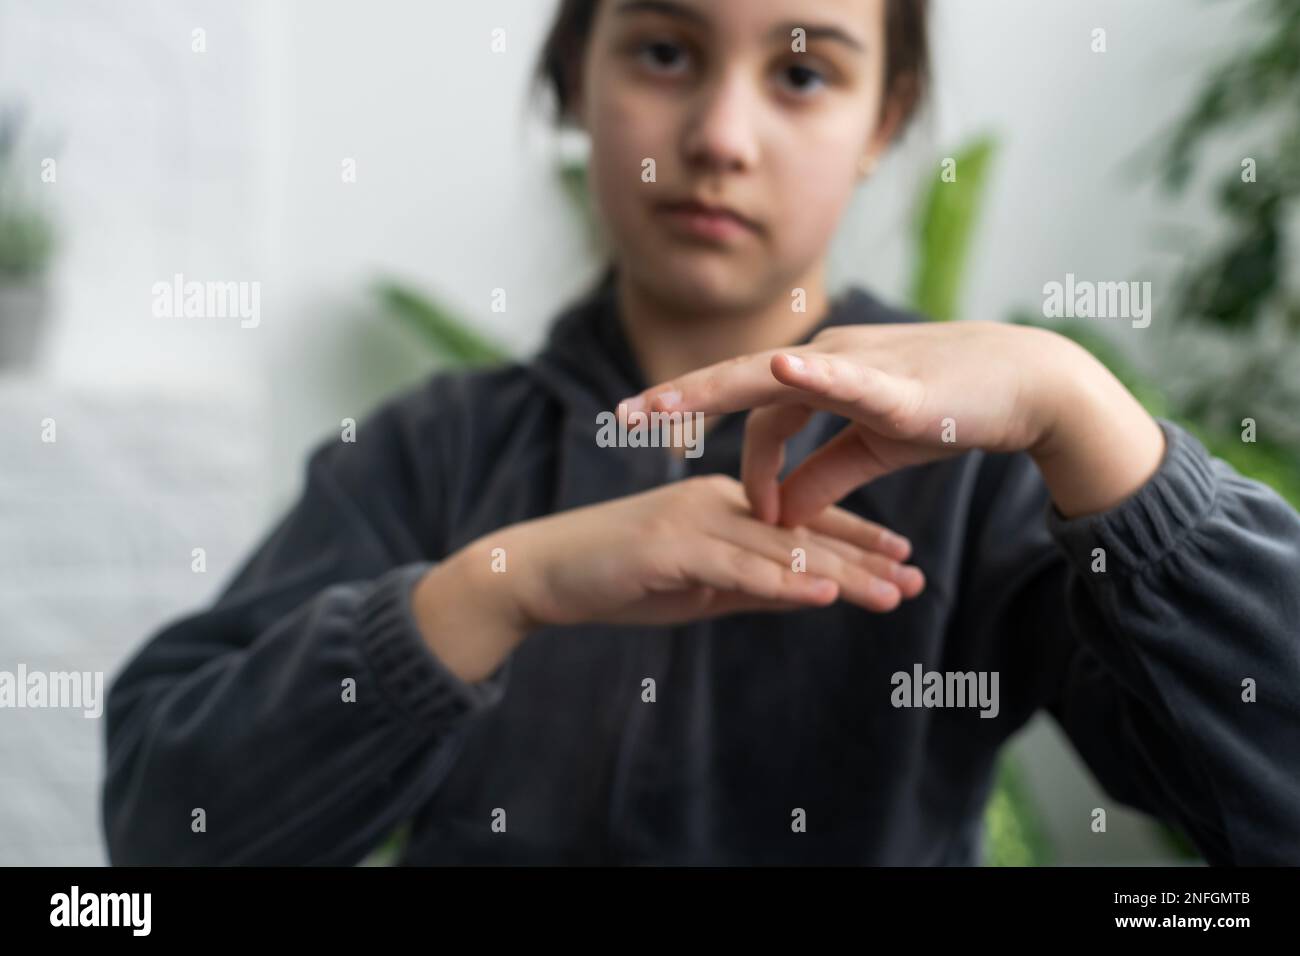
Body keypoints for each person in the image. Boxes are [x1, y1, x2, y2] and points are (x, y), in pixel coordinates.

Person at [103, 0, 1300, 865]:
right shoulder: (428, 451)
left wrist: (1086, 416)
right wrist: (498, 590)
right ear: (577, 78)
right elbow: (167, 830)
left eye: (802, 73)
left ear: (885, 117)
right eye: (666, 52)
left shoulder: (976, 473)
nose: (721, 134)